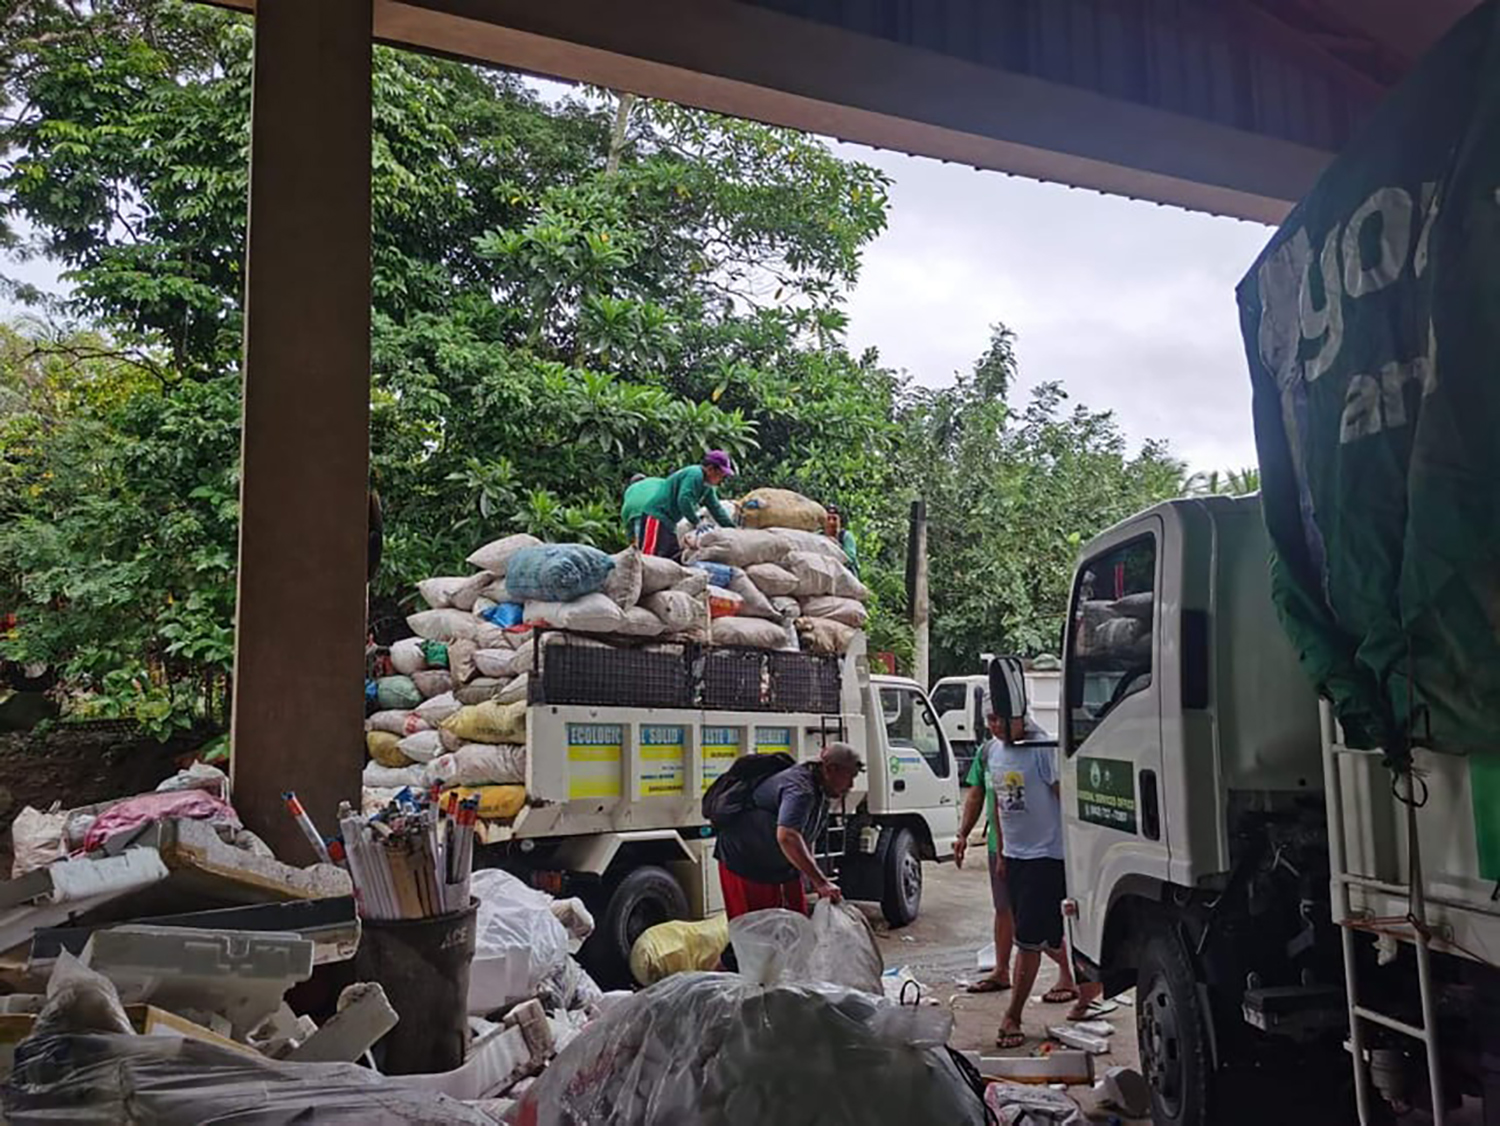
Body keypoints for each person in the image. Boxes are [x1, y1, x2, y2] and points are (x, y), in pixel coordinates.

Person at [955, 710, 1075, 1003]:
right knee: (1007, 911)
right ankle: (1002, 970)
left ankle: (1063, 982)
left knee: (1033, 930)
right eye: (989, 719)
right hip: (1007, 851)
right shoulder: (990, 751)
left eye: (999, 718)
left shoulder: (1042, 750)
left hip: (1044, 854)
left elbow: (1065, 799)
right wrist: (966, 835)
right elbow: (984, 795)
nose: (993, 725)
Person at [713, 742, 863, 917]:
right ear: (831, 769)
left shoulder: (820, 790)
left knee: (794, 925)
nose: (851, 785)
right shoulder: (801, 790)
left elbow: (804, 838)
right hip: (746, 863)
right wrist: (821, 882)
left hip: (779, 866)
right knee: (758, 930)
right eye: (850, 776)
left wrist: (815, 878)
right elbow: (788, 836)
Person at [620, 450, 738, 560]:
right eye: (721, 475)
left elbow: (716, 509)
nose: (721, 479)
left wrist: (732, 529)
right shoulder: (695, 474)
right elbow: (684, 499)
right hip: (656, 516)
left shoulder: (707, 487)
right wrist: (696, 522)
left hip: (669, 522)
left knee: (668, 555)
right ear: (711, 469)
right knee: (649, 555)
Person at [825, 504, 859, 576]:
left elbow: (850, 558)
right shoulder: (818, 536)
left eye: (834, 519)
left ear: (840, 521)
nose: (831, 522)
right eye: (828, 519)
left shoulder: (846, 537)